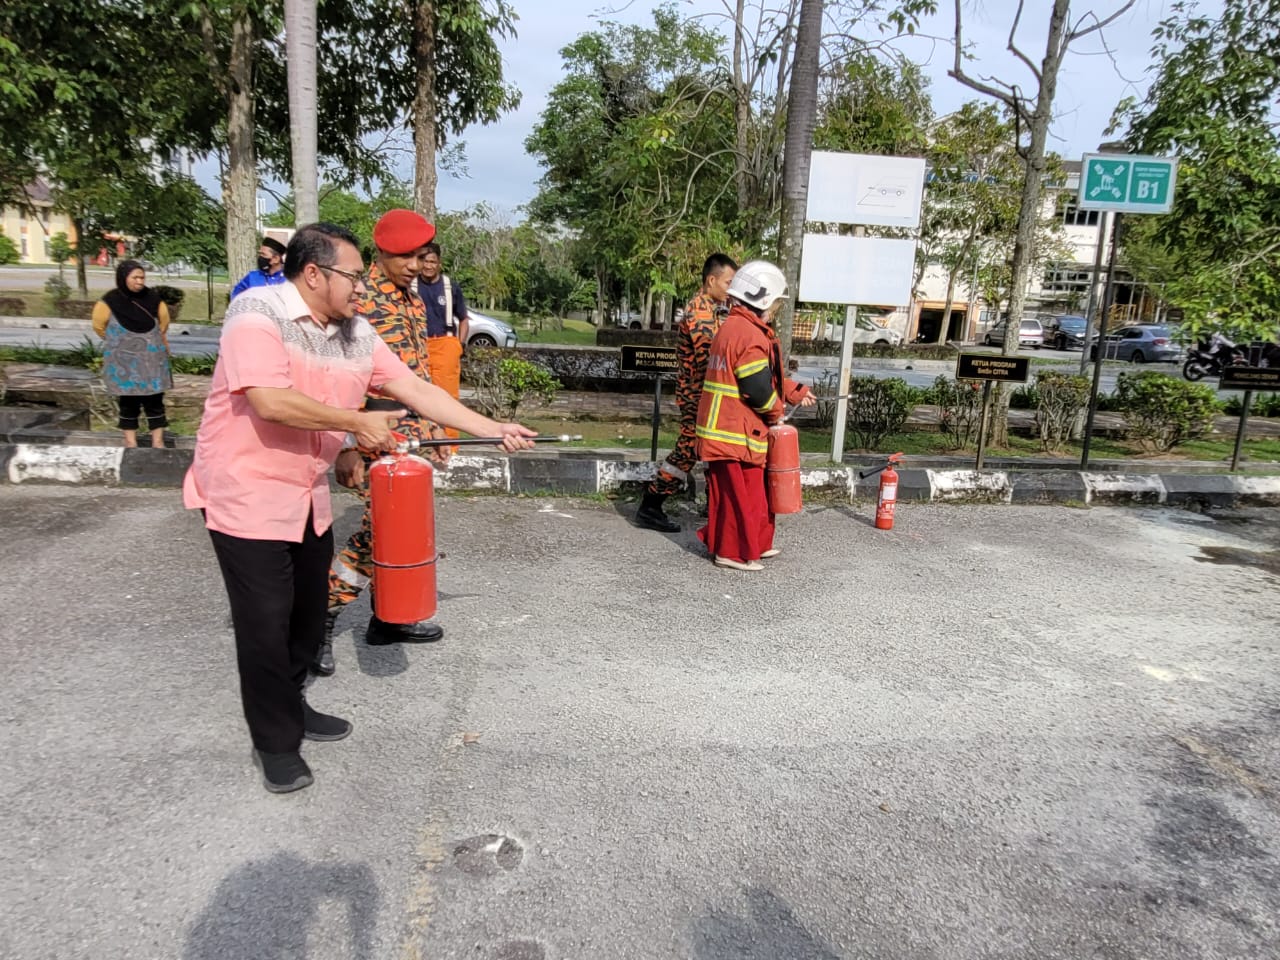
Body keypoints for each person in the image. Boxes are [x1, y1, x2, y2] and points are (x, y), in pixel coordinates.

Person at [183, 222, 536, 794]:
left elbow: (418, 389)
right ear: (315, 273)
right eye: (352, 275)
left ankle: (293, 705)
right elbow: (270, 401)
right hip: (243, 490)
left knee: (305, 611)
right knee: (265, 622)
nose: (361, 287)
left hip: (303, 492)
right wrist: (355, 425)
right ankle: (275, 741)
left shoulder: (354, 331)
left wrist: (494, 428)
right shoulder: (257, 313)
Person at [321, 209, 447, 676]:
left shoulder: (410, 298)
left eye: (419, 255)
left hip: (408, 436)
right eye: (405, 256)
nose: (416, 264)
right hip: (371, 434)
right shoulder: (362, 297)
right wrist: (346, 443)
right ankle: (322, 614)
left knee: (397, 531)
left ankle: (385, 617)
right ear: (382, 253)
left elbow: (418, 373)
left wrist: (433, 433)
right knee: (385, 531)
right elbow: (338, 377)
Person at [694, 259, 815, 572]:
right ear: (763, 300)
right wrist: (777, 413)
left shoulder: (738, 328)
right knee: (739, 498)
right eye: (775, 304)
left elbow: (762, 377)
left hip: (730, 430)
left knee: (751, 495)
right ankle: (731, 552)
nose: (775, 310)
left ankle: (754, 545)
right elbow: (757, 389)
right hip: (734, 432)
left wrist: (795, 391)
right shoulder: (749, 334)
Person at [635, 253, 737, 532]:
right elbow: (710, 359)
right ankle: (651, 504)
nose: (732, 289)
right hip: (698, 396)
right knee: (687, 450)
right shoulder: (700, 312)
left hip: (706, 396)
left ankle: (713, 506)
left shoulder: (717, 309)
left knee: (707, 449)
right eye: (729, 282)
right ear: (712, 280)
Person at [92, 259, 172, 448]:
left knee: (155, 401)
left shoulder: (153, 299)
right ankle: (130, 441)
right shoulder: (109, 302)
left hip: (151, 359)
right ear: (123, 277)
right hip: (123, 362)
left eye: (142, 277)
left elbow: (163, 324)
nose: (139, 281)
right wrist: (120, 341)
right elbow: (99, 326)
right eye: (134, 277)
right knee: (128, 402)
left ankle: (158, 441)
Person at [416, 242, 469, 438]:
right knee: (418, 395)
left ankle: (451, 445)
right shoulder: (411, 284)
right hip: (419, 345)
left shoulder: (449, 287)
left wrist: (458, 346)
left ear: (439, 263)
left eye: (432, 262)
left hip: (445, 345)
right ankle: (423, 441)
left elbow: (464, 319)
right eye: (424, 261)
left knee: (448, 397)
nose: (428, 266)